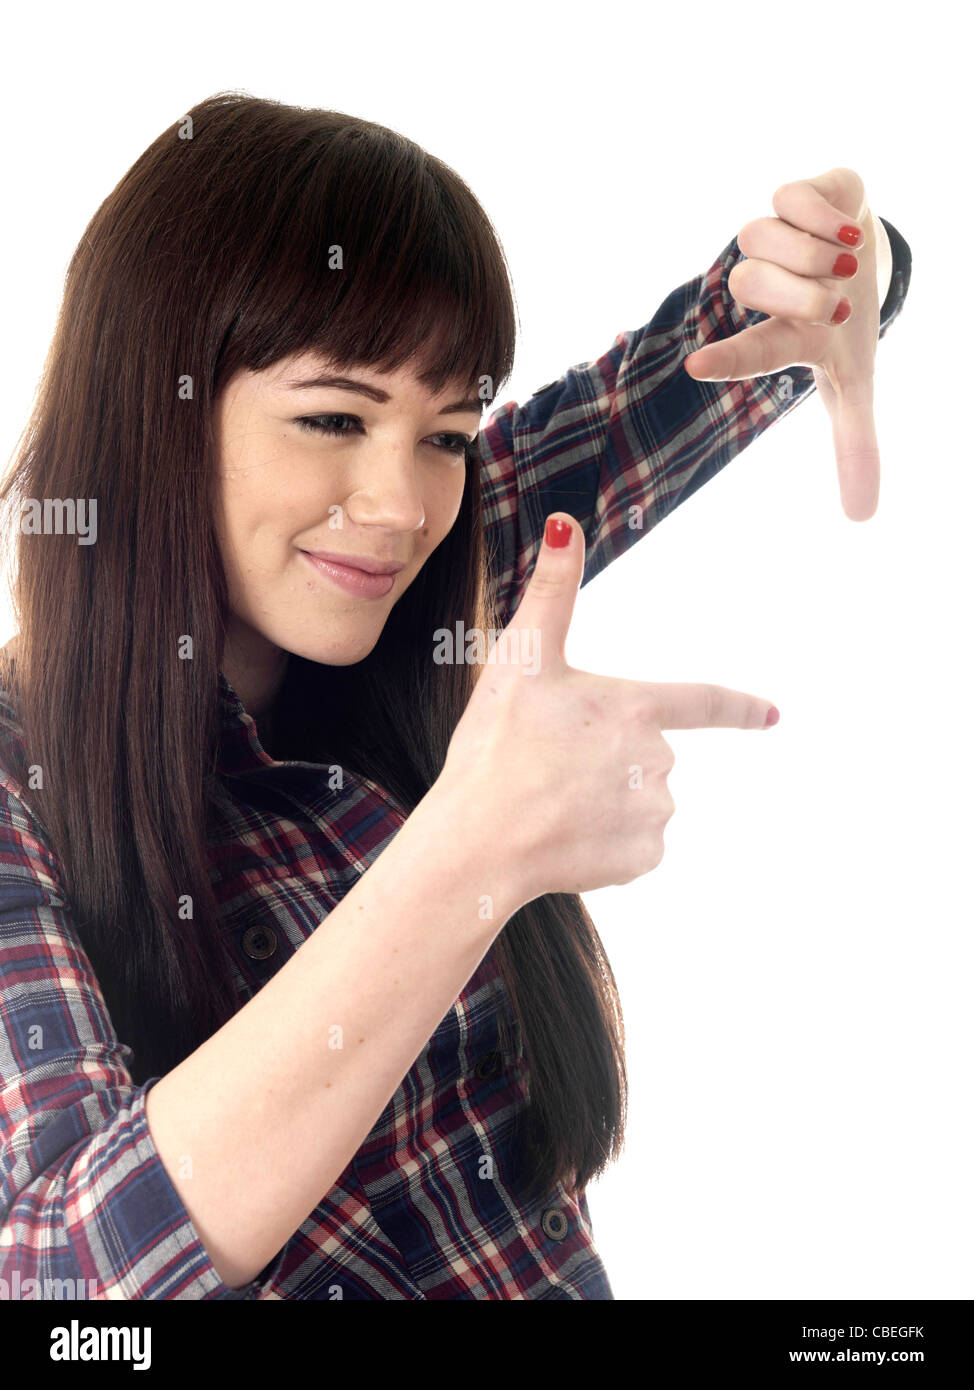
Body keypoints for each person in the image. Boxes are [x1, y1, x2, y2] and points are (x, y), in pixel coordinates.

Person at [0, 92, 911, 1300]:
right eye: (332, 415)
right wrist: (470, 854)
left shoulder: (435, 561)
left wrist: (853, 264)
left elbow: (701, 356)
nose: (400, 507)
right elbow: (65, 1276)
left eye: (447, 430)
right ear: (146, 412)